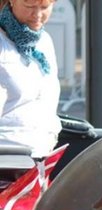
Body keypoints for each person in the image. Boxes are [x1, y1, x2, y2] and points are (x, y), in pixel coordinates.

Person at [0, 0, 61, 157]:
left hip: (41, 156)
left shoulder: (44, 42)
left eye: (45, 7)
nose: (37, 15)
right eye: (30, 7)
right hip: (7, 159)